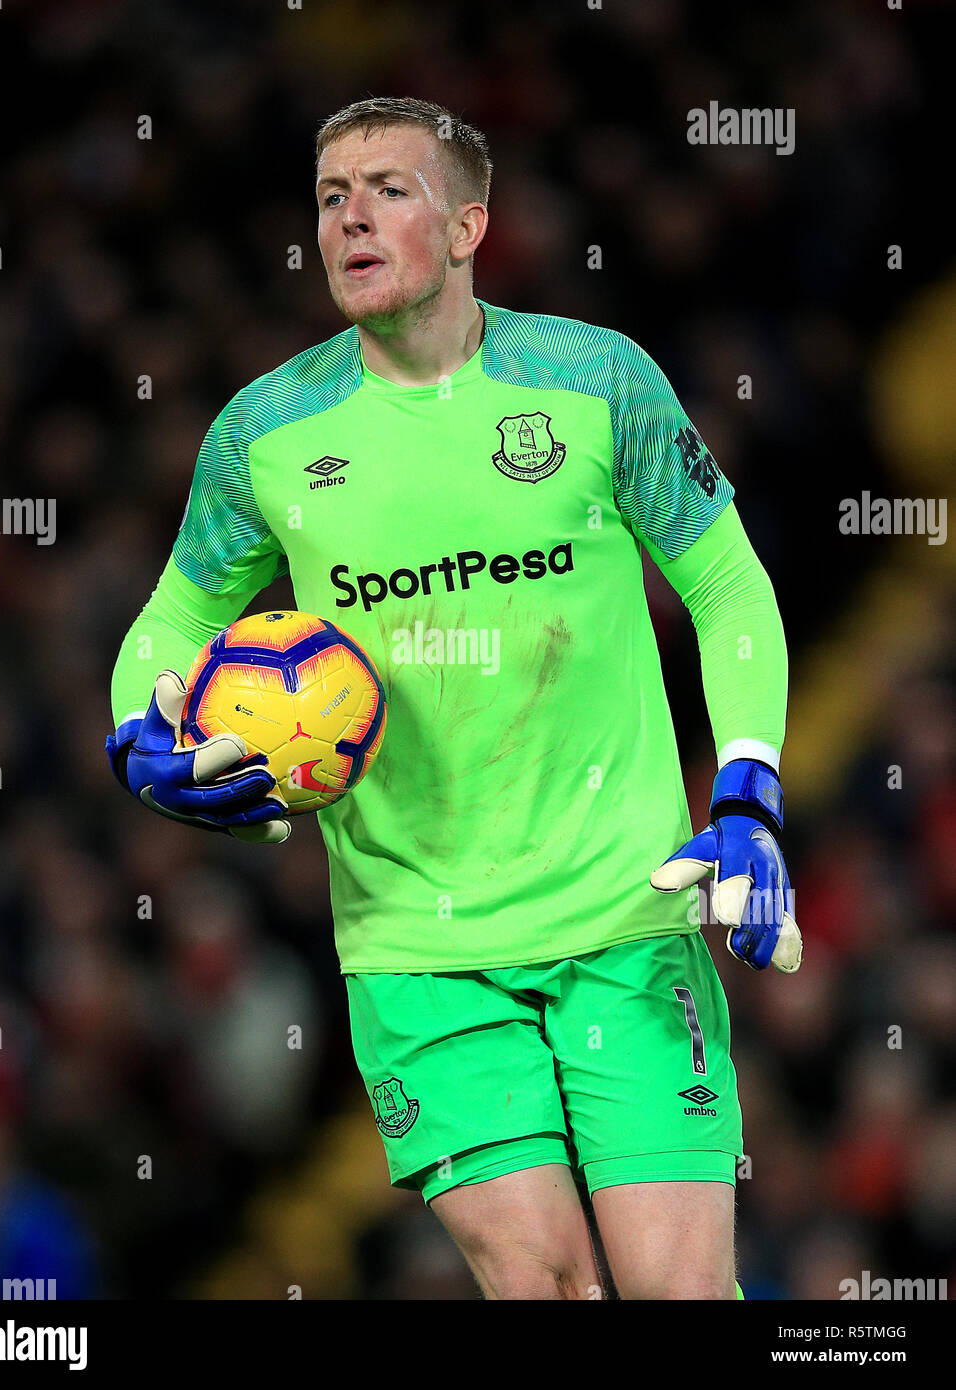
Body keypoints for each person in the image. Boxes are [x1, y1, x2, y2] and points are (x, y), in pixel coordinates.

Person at [105, 95, 802, 1300]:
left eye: (387, 189)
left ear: (471, 223)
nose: (350, 219)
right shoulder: (265, 434)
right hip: (415, 944)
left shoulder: (598, 383)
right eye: (330, 197)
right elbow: (174, 618)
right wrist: (136, 738)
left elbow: (729, 584)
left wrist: (747, 786)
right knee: (550, 1287)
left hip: (624, 915)